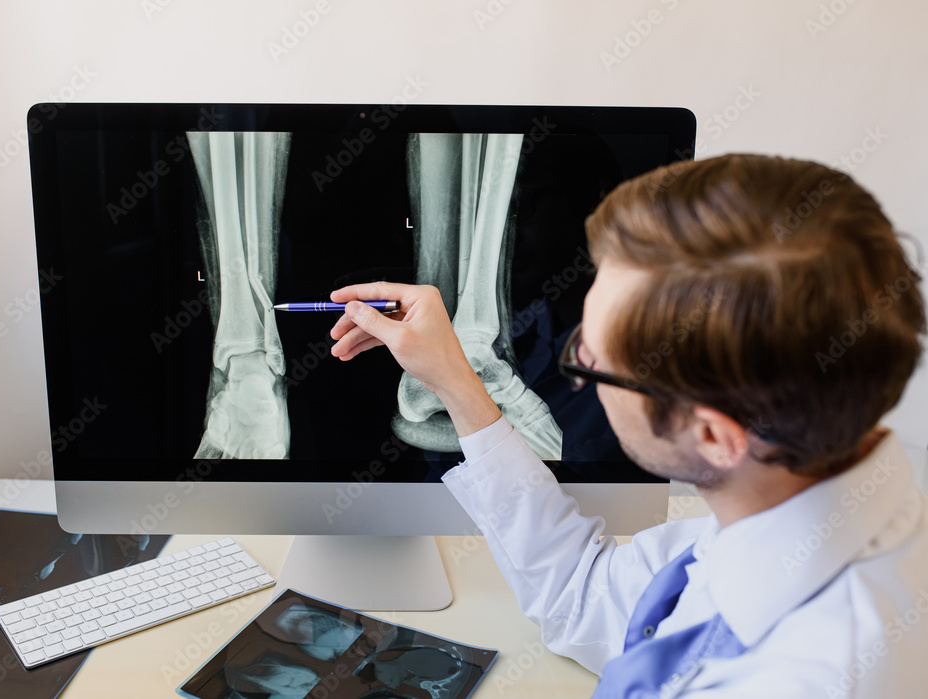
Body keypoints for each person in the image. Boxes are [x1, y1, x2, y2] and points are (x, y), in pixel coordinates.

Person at [326, 154, 928, 697]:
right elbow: (588, 599)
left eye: (592, 362)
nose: (577, 371)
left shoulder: (806, 675)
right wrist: (456, 381)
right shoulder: (781, 519)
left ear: (715, 438)